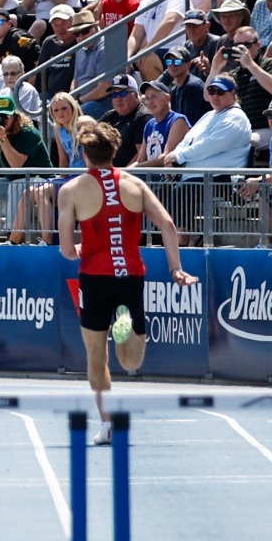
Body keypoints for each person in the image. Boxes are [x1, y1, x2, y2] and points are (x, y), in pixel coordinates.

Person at [56, 118, 198, 444]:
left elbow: (65, 250)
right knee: (131, 360)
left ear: (84, 153)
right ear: (115, 150)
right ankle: (124, 325)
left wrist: (78, 248)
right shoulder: (134, 184)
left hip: (94, 275)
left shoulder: (71, 190)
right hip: (131, 274)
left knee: (96, 355)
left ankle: (106, 424)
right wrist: (175, 268)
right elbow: (167, 223)